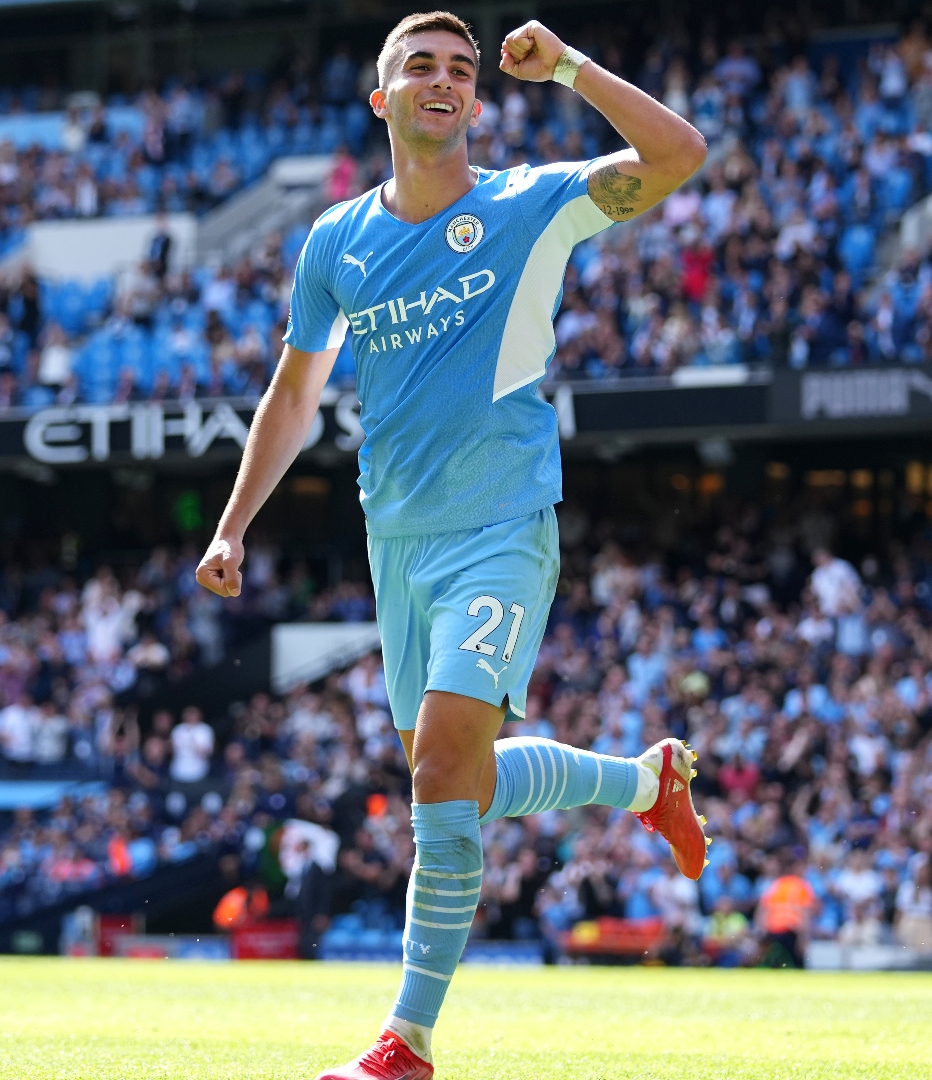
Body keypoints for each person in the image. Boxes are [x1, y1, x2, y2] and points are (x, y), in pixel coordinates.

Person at [193, 12, 708, 1079]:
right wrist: (234, 521)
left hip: (501, 529)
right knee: (459, 788)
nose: (441, 81)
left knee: (435, 768)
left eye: (460, 72)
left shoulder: (530, 205)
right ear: (381, 101)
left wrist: (567, 67)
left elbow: (678, 156)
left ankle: (407, 1041)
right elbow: (293, 397)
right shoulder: (336, 242)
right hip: (399, 543)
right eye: (417, 66)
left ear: (477, 104)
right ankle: (640, 783)